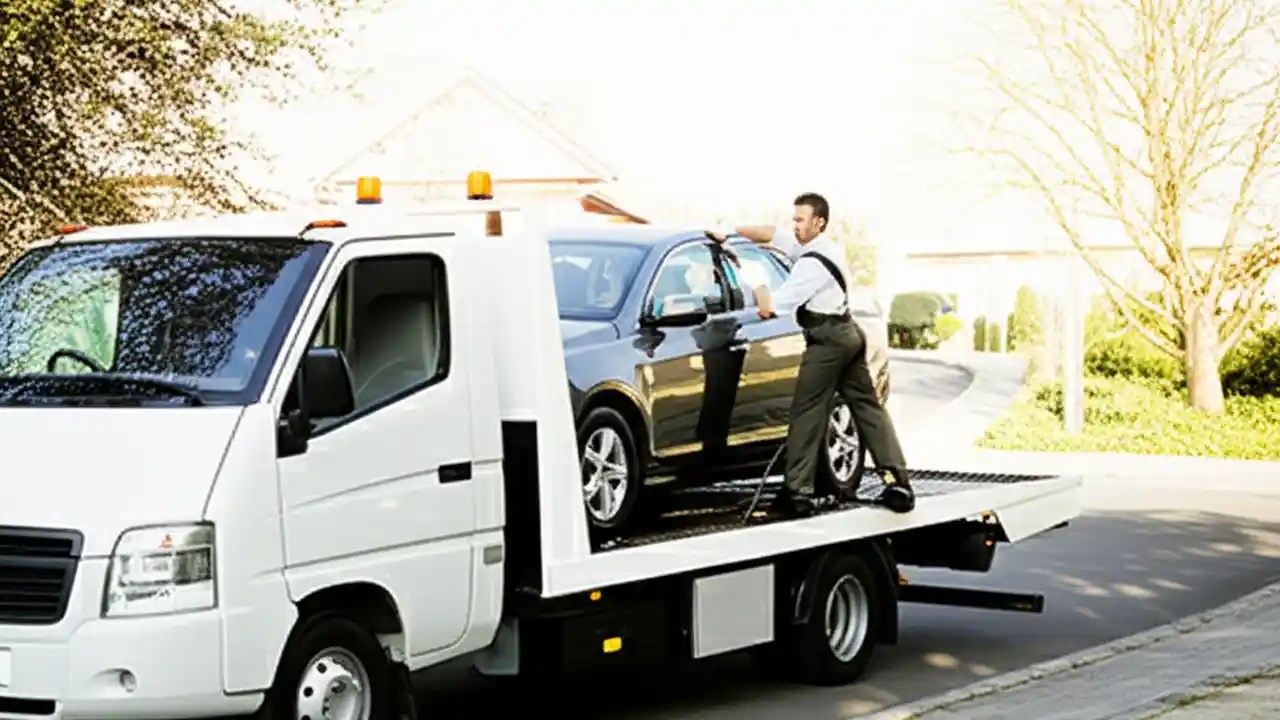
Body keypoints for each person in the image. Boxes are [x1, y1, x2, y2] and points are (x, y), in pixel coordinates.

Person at [707, 193, 915, 516]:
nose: (795, 226)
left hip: (829, 342)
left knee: (807, 412)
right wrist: (730, 232)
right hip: (847, 334)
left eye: (801, 220)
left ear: (819, 222)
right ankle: (898, 483)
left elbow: (770, 308)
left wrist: (748, 273)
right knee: (867, 407)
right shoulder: (820, 248)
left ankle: (797, 494)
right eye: (795, 219)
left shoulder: (811, 265)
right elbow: (772, 234)